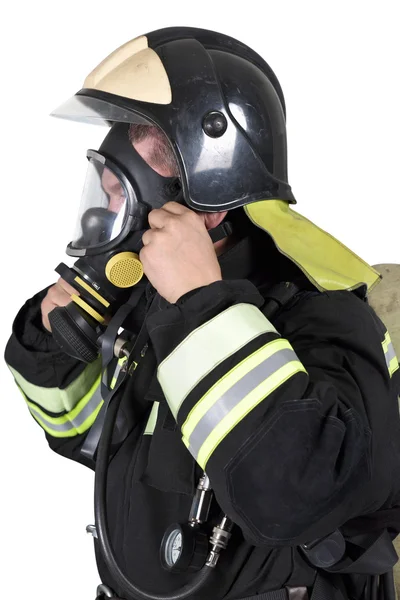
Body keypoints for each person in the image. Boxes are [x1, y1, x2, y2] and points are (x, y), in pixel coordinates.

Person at [4, 26, 400, 600]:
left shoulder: (329, 315)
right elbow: (91, 434)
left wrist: (201, 312)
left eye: (121, 191)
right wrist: (50, 347)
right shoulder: (153, 307)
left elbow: (296, 498)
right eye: (104, 186)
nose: (103, 213)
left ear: (204, 209)